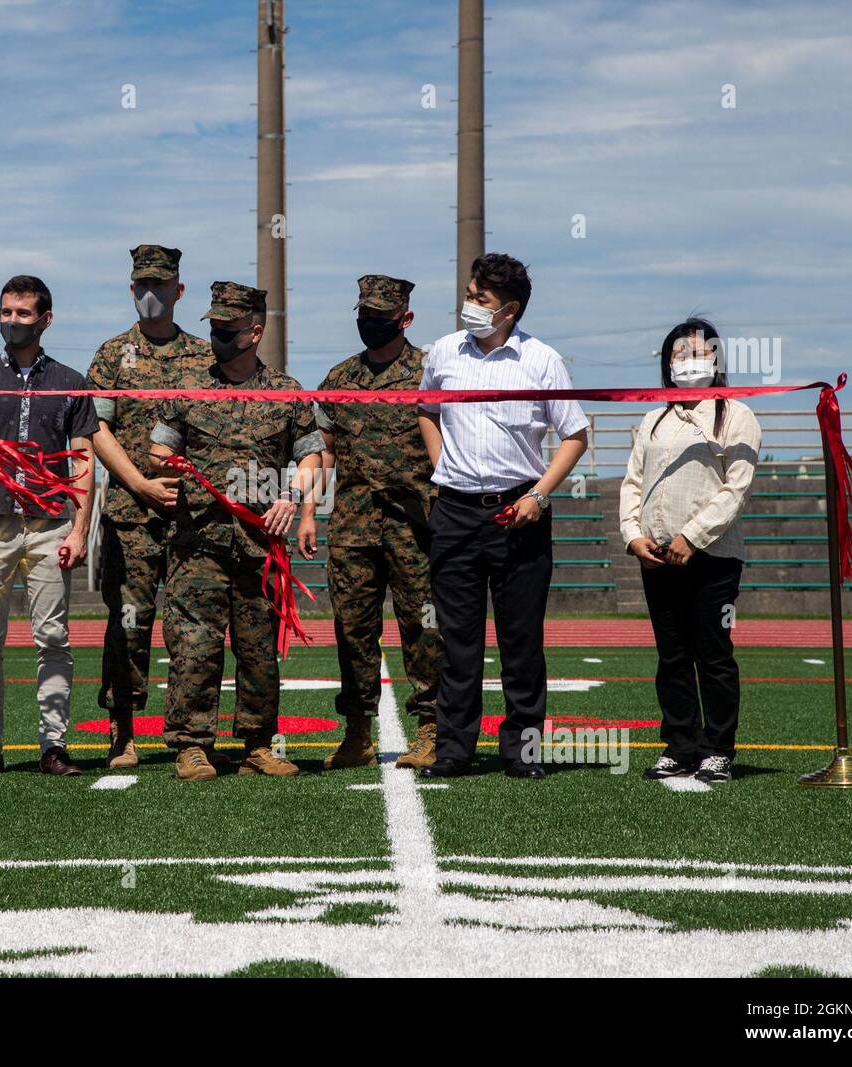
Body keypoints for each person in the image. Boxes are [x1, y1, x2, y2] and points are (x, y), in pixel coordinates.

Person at [417, 253, 589, 779]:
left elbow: (575, 436)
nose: (469, 304)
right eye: (469, 293)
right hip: (455, 512)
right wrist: (441, 466)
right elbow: (426, 410)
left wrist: (538, 496)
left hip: (522, 512)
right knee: (457, 642)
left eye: (481, 299)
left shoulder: (542, 360)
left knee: (521, 641)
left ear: (509, 309)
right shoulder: (443, 352)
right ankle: (453, 749)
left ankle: (524, 751)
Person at [149, 281, 324, 781]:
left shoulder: (287, 393)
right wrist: (172, 465)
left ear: (255, 331)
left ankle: (258, 745)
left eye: (229, 328)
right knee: (194, 646)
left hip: (258, 545)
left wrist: (293, 496)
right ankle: (191, 745)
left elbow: (311, 456)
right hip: (196, 541)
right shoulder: (188, 386)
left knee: (259, 648)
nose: (220, 336)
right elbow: (158, 449)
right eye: (215, 327)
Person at [0, 275, 98, 778]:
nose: (12, 321)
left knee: (53, 637)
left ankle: (53, 745)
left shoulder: (71, 381)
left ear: (46, 319)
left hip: (51, 523)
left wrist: (80, 529)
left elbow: (82, 457)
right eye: (6, 312)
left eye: (23, 314)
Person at [298, 274, 441, 770]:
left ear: (405, 319)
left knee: (424, 628)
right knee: (353, 630)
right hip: (354, 527)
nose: (370, 326)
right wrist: (308, 511)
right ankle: (357, 731)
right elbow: (324, 451)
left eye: (381, 319)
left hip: (417, 525)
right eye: (364, 317)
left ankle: (430, 728)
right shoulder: (339, 380)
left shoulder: (430, 371)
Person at [86, 245, 214, 768]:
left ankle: (190, 740)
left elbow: (217, 432)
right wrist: (139, 483)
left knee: (193, 625)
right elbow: (95, 428)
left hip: (191, 516)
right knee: (129, 623)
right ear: (131, 289)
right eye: (141, 285)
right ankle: (123, 730)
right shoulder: (113, 355)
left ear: (179, 291)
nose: (150, 295)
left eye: (160, 286)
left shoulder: (206, 356)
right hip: (130, 513)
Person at [619, 318, 761, 784]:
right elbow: (634, 481)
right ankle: (680, 745)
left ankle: (719, 748)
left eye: (698, 352)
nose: (687, 361)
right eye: (678, 354)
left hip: (712, 557)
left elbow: (735, 490)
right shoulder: (652, 416)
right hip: (657, 556)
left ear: (717, 360)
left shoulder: (735, 415)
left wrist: (692, 538)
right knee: (672, 656)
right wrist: (633, 534)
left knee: (712, 653)